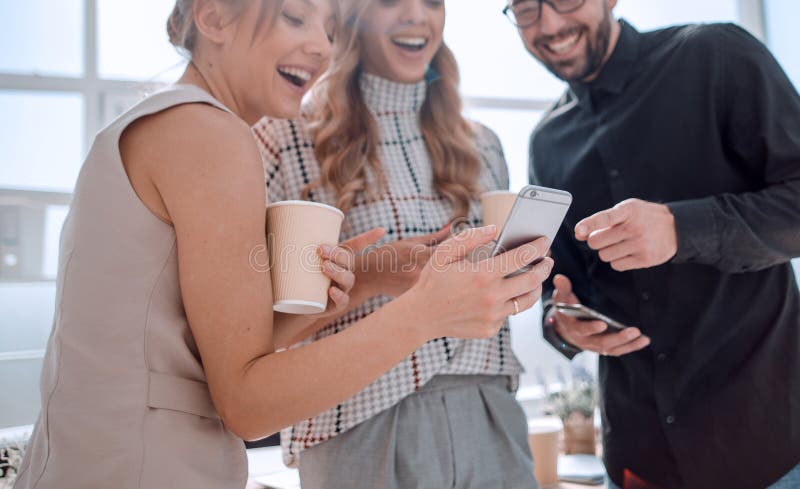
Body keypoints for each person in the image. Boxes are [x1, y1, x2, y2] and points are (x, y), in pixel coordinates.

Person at [13, 1, 552, 487]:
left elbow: (216, 347)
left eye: (327, 25)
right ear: (214, 16)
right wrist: (424, 313)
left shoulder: (173, 125)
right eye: (296, 17)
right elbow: (246, 403)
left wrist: (368, 278)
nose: (321, 45)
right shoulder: (210, 134)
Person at [502, 0, 800, 487]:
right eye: (527, 9)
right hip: (637, 461)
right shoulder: (547, 144)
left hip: (768, 449)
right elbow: (560, 288)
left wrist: (682, 229)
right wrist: (562, 323)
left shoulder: (717, 56)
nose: (550, 24)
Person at [252, 0, 549, 487]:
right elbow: (256, 334)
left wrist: (519, 278)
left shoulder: (485, 145)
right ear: (350, 16)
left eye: (432, 1)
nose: (417, 15)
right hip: (360, 423)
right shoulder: (286, 137)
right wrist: (370, 278)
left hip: (490, 414)